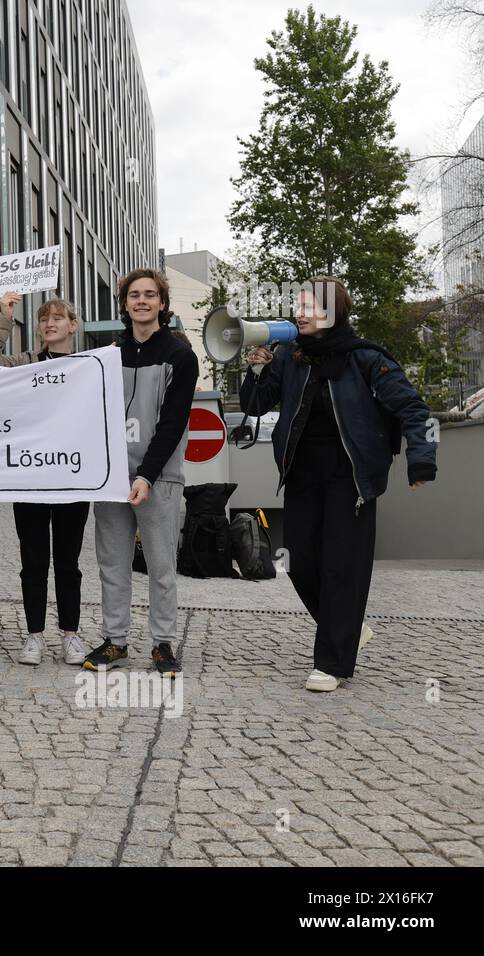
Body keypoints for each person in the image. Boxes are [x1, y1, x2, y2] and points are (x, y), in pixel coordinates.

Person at [241, 276, 436, 692]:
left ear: (334, 312)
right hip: (301, 476)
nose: (300, 312)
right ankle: (347, 627)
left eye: (310, 305)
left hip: (350, 480)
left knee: (340, 568)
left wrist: (421, 460)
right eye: (299, 304)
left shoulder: (366, 358)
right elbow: (255, 405)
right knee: (297, 562)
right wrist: (256, 370)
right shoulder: (289, 357)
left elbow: (413, 409)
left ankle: (331, 663)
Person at [87, 269, 197, 678]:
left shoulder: (180, 356)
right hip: (112, 478)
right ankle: (115, 641)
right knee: (112, 563)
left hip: (160, 476)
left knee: (160, 565)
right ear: (125, 303)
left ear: (162, 304)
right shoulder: (107, 356)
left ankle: (162, 643)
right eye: (134, 295)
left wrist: (146, 476)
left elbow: (172, 423)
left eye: (150, 295)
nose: (142, 301)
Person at [0, 292, 92, 666]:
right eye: (44, 318)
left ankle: (71, 635)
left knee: (67, 560)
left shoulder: (88, 366)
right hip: (29, 475)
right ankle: (34, 635)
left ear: (73, 326)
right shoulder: (27, 362)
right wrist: (5, 315)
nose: (49, 323)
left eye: (58, 318)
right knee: (33, 560)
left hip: (71, 477)